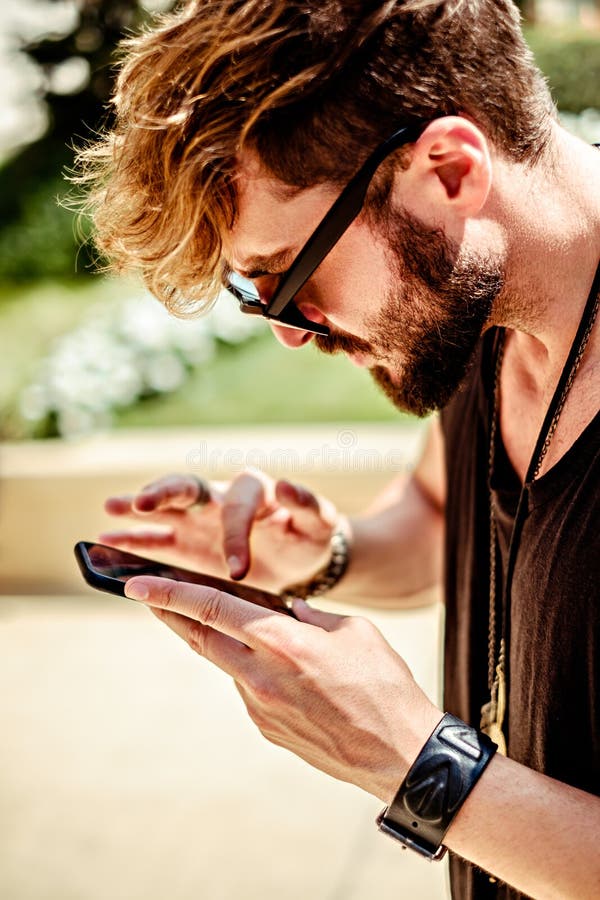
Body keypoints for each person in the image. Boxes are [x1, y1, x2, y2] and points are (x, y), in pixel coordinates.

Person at [79, 0, 600, 896]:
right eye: (258, 297)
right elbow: (440, 517)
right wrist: (324, 554)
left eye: (290, 278)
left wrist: (416, 763)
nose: (289, 332)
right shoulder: (476, 304)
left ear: (447, 171)